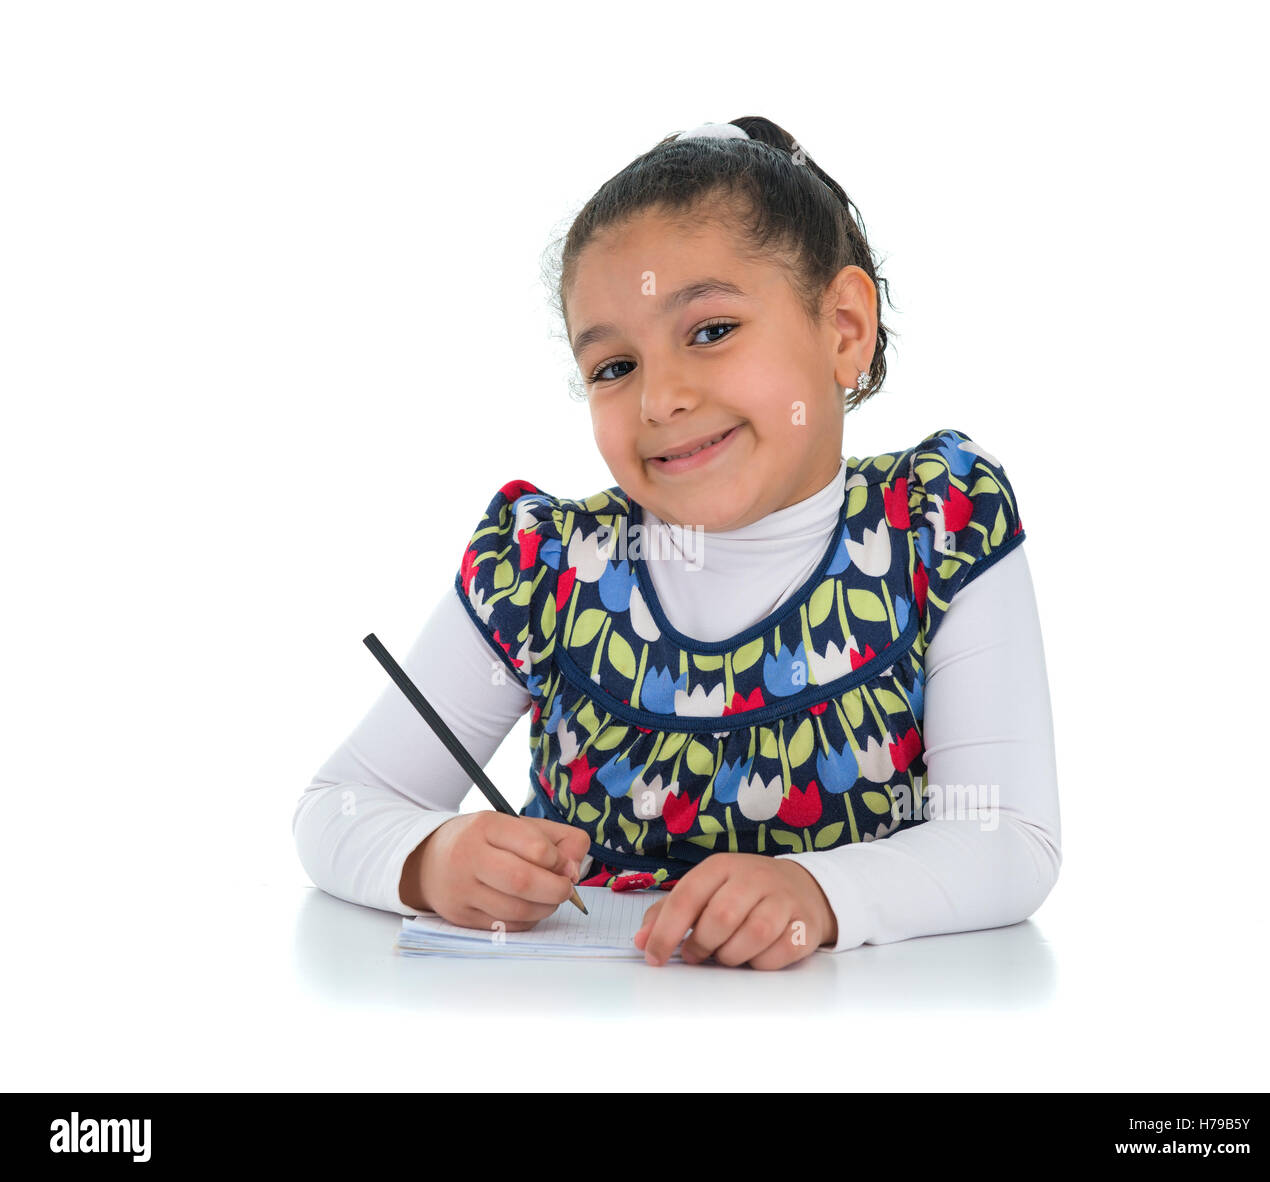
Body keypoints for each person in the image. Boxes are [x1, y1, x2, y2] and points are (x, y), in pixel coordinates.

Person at [293, 115, 1062, 970]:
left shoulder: (938, 526)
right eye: (614, 367)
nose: (659, 399)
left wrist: (821, 893)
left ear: (843, 327)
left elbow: (1009, 839)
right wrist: (430, 860)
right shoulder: (546, 569)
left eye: (710, 331)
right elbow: (340, 805)